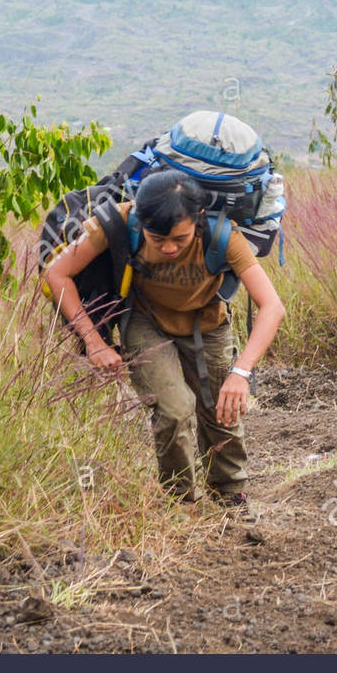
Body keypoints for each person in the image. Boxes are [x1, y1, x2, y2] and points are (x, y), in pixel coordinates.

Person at [41, 169, 286, 511]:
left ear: (198, 219)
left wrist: (241, 373)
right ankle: (181, 499)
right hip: (145, 322)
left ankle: (230, 491)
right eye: (158, 240)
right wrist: (94, 342)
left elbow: (272, 306)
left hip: (208, 324)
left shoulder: (221, 234)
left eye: (180, 239)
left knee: (221, 410)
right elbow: (56, 272)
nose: (169, 248)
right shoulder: (117, 222)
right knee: (174, 411)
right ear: (140, 220)